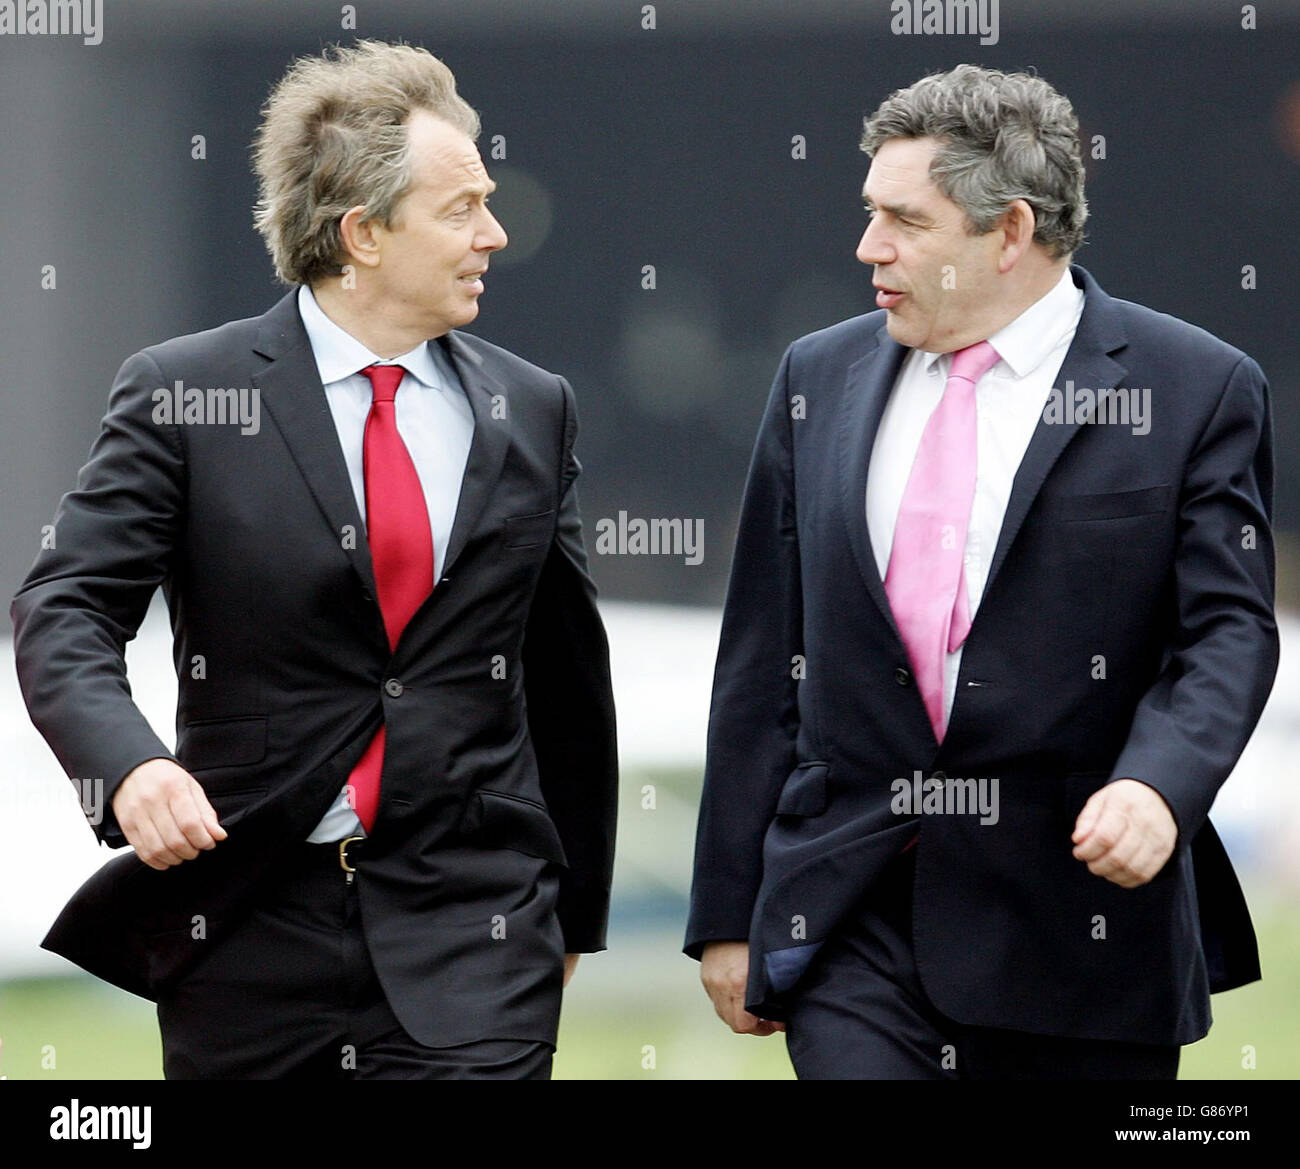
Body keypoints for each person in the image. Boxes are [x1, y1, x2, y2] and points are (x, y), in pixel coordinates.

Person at [11, 39, 617, 1080]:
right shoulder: (185, 395)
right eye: (462, 206)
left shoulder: (533, 407)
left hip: (475, 919)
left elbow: (563, 670)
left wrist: (570, 914)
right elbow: (65, 606)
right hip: (246, 922)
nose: (495, 233)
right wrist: (129, 764)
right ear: (364, 233)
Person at [684, 64, 1277, 1079]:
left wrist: (1158, 784)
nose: (868, 247)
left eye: (903, 221)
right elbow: (759, 658)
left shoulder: (1195, 387)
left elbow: (1227, 629)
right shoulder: (812, 378)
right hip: (851, 919)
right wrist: (727, 910)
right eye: (869, 213)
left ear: (1007, 231)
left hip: (1083, 933)